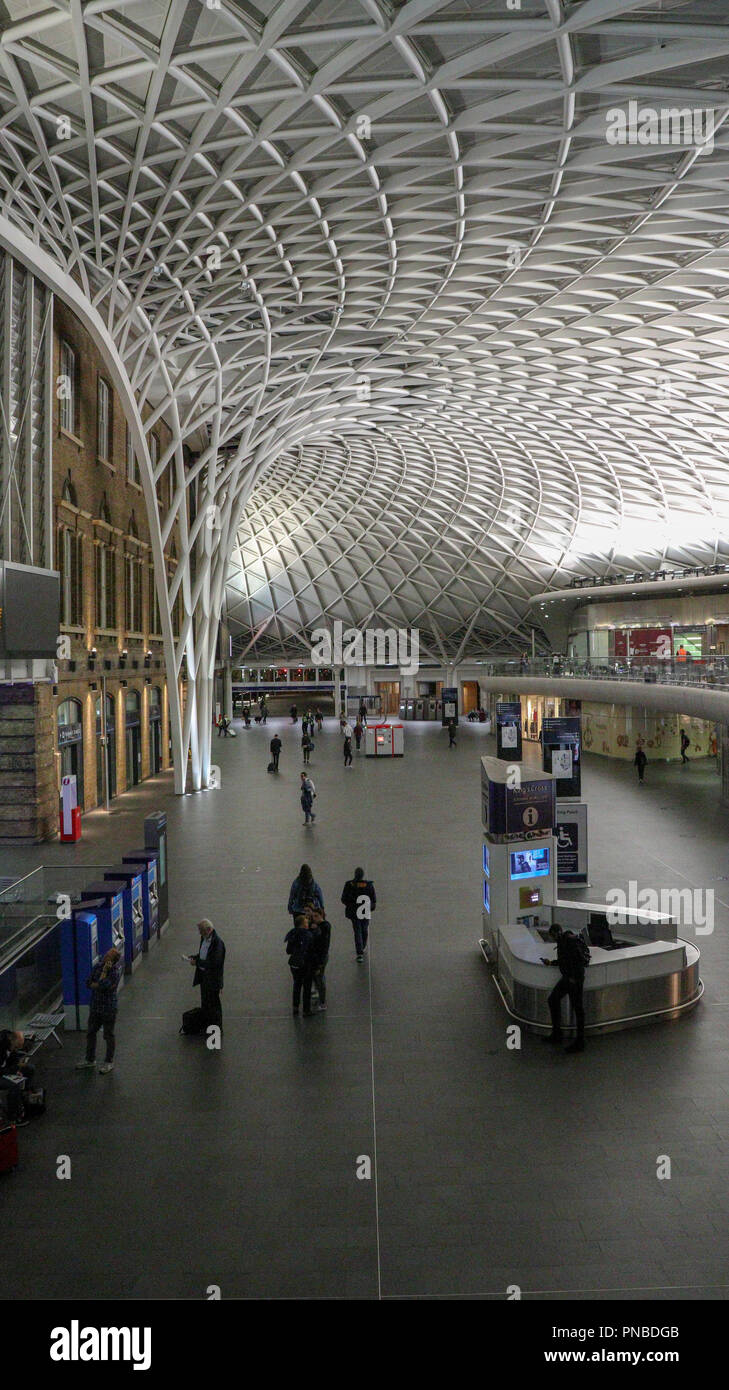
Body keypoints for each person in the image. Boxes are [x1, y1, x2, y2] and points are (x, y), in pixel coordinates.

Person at [75, 947, 123, 1073]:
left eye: (108, 956)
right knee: (91, 1033)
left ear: (112, 961)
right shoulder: (98, 966)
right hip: (95, 1007)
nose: (105, 956)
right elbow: (88, 982)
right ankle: (90, 1059)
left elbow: (103, 985)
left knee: (108, 1035)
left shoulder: (115, 972)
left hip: (108, 1008)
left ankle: (109, 1062)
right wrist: (96, 984)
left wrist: (102, 975)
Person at [542, 925, 588, 1054]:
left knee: (577, 1009)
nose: (552, 939)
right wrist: (551, 963)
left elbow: (578, 960)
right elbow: (565, 961)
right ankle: (558, 1034)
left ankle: (579, 1041)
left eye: (552, 936)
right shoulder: (564, 942)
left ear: (556, 933)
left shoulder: (568, 941)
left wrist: (573, 978)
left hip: (573, 980)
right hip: (568, 979)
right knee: (553, 1000)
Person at [185, 920, 225, 1029]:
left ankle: (216, 1027)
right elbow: (203, 955)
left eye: (201, 931)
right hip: (204, 977)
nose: (200, 933)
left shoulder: (217, 944)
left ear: (209, 930)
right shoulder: (204, 939)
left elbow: (214, 963)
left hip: (213, 979)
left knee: (214, 1004)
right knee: (206, 1002)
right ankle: (208, 1025)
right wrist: (195, 957)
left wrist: (197, 962)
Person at [285, 914, 318, 1017]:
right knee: (307, 986)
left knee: (297, 985)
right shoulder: (308, 935)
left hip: (294, 964)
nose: (307, 923)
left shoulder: (292, 934)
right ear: (303, 924)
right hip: (306, 963)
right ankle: (306, 1010)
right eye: (306, 922)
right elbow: (312, 951)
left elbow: (288, 950)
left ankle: (295, 1007)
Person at [341, 868, 376, 961]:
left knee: (357, 931)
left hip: (354, 912)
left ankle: (359, 951)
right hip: (365, 911)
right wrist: (371, 907)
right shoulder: (369, 885)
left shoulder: (349, 885)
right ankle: (361, 947)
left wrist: (350, 905)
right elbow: (373, 899)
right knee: (364, 930)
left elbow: (343, 898)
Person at [0, 1029, 33, 1125]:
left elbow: (13, 1058)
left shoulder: (10, 1045)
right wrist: (13, 1071)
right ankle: (13, 1116)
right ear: (11, 1041)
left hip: (5, 1069)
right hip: (2, 1072)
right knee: (14, 1085)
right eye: (16, 1047)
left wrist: (17, 1069)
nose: (16, 1049)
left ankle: (23, 1097)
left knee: (29, 1069)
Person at [308, 906, 331, 1011]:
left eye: (316, 916)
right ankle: (319, 996)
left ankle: (322, 1002)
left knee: (319, 978)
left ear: (321, 915)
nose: (315, 918)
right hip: (316, 956)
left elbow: (323, 944)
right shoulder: (319, 926)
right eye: (313, 917)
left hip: (320, 957)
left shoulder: (324, 926)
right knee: (316, 977)